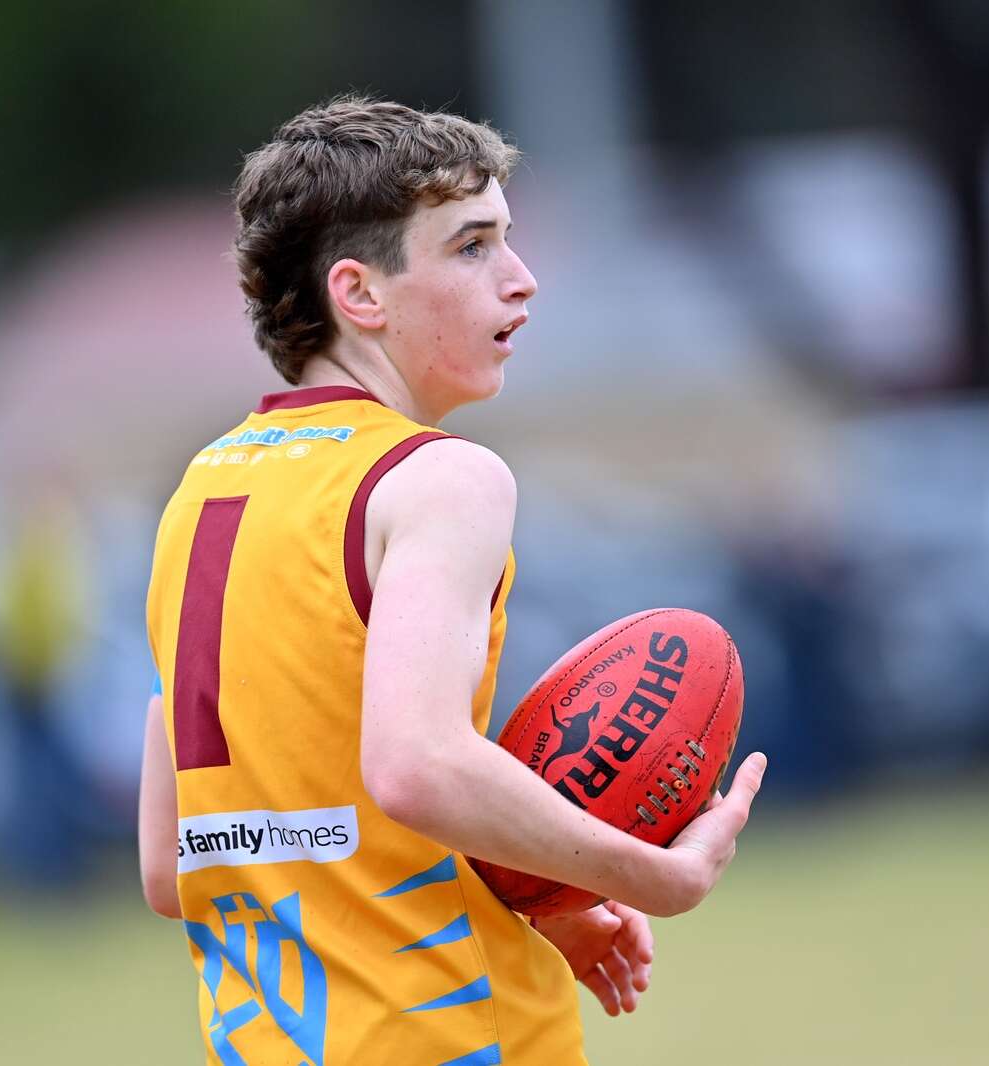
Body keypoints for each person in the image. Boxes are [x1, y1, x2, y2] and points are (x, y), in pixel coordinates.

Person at [139, 95, 767, 1066]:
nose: (520, 281)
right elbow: (417, 765)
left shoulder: (204, 490)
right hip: (443, 1034)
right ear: (361, 295)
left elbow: (172, 859)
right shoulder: (435, 479)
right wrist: (647, 873)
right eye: (472, 246)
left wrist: (538, 901)